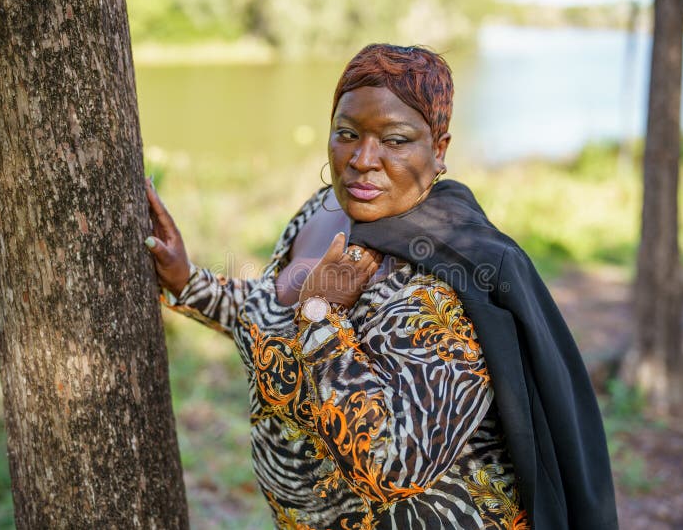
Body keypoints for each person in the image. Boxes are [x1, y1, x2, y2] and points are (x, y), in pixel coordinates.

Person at [144, 44, 618, 530]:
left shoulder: (451, 282)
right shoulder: (324, 213)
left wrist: (320, 318)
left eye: (395, 140)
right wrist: (187, 280)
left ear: (439, 148)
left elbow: (388, 464)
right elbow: (272, 313)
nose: (363, 160)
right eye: (347, 134)